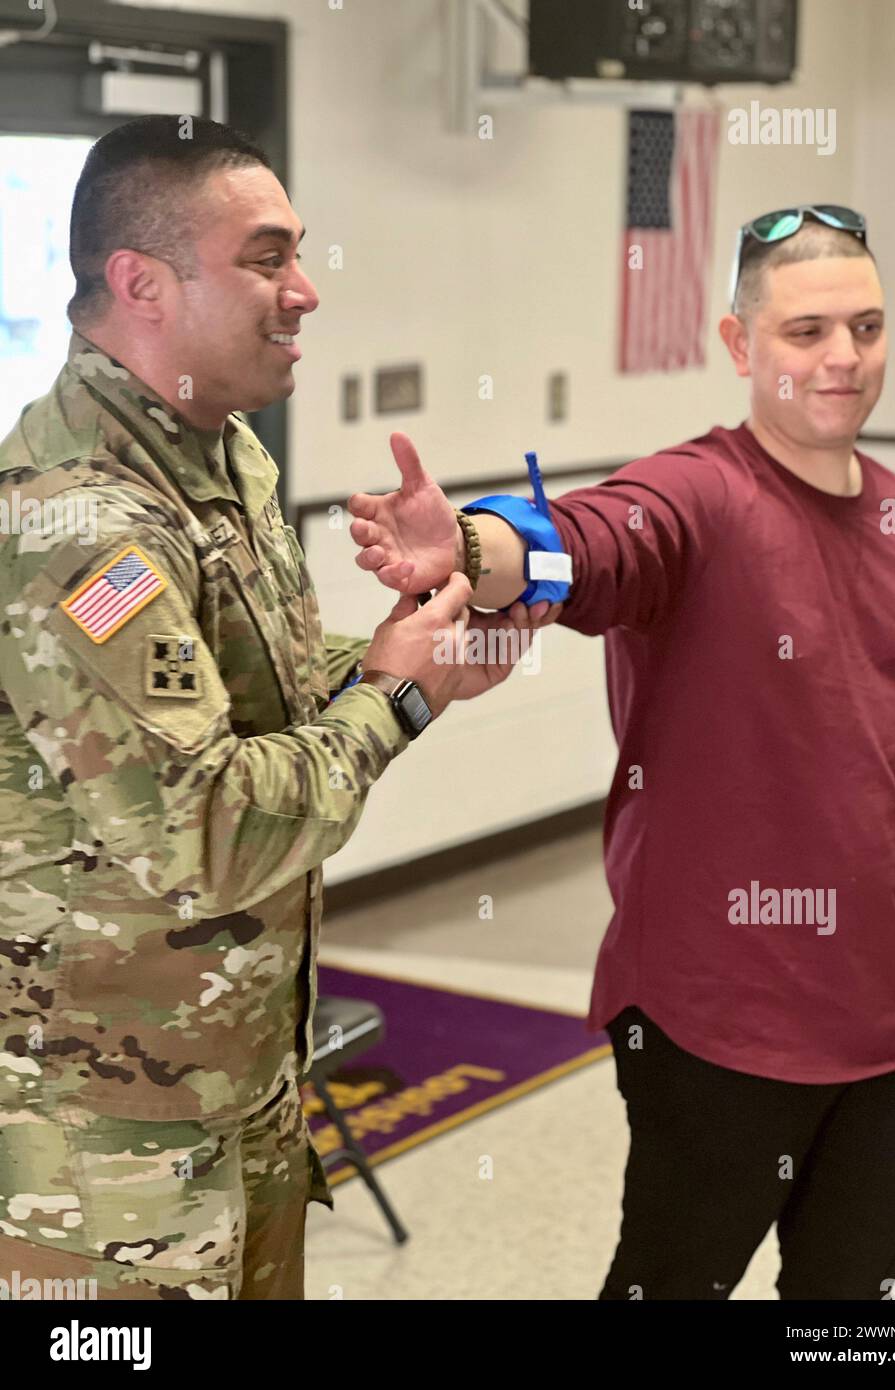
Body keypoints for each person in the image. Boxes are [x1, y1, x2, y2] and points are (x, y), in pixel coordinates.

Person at [349, 206, 895, 1300]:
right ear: (740, 346)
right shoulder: (699, 497)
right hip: (717, 1026)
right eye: (806, 331)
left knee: (852, 1307)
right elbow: (578, 543)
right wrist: (472, 546)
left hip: (894, 1034)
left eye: (867, 328)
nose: (843, 358)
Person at [0, 115, 534, 1300]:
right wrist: (395, 696)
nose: (305, 290)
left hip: (240, 1090)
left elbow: (251, 698)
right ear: (139, 283)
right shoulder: (82, 525)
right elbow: (209, 828)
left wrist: (423, 656)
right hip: (106, 1161)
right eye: (266, 257)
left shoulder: (217, 450)